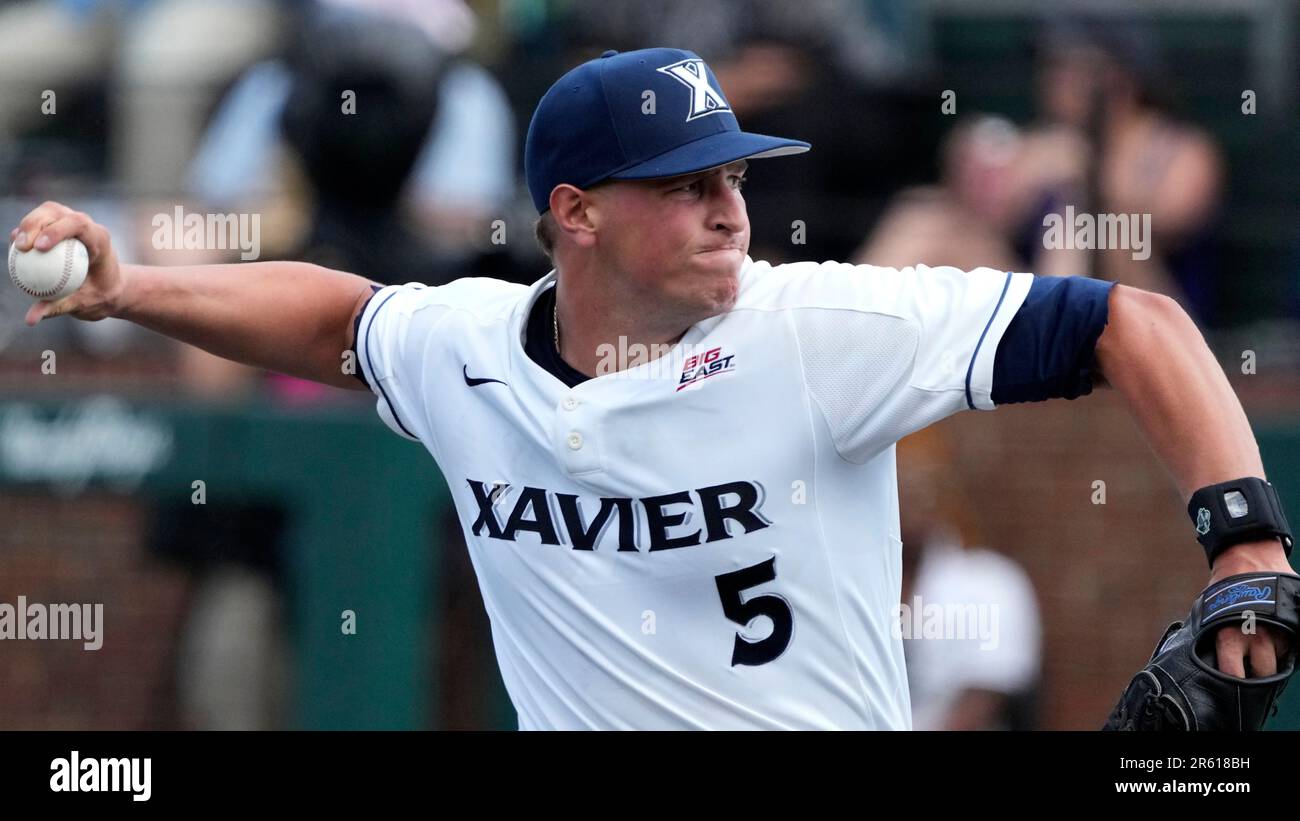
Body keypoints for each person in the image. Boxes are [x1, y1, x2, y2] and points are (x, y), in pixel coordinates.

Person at [10, 47, 1294, 730]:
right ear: (573, 212)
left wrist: (1241, 538)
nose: (730, 209)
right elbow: (341, 316)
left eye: (733, 177)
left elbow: (1132, 320)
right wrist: (133, 288)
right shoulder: (468, 351)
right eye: (686, 183)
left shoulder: (820, 327)